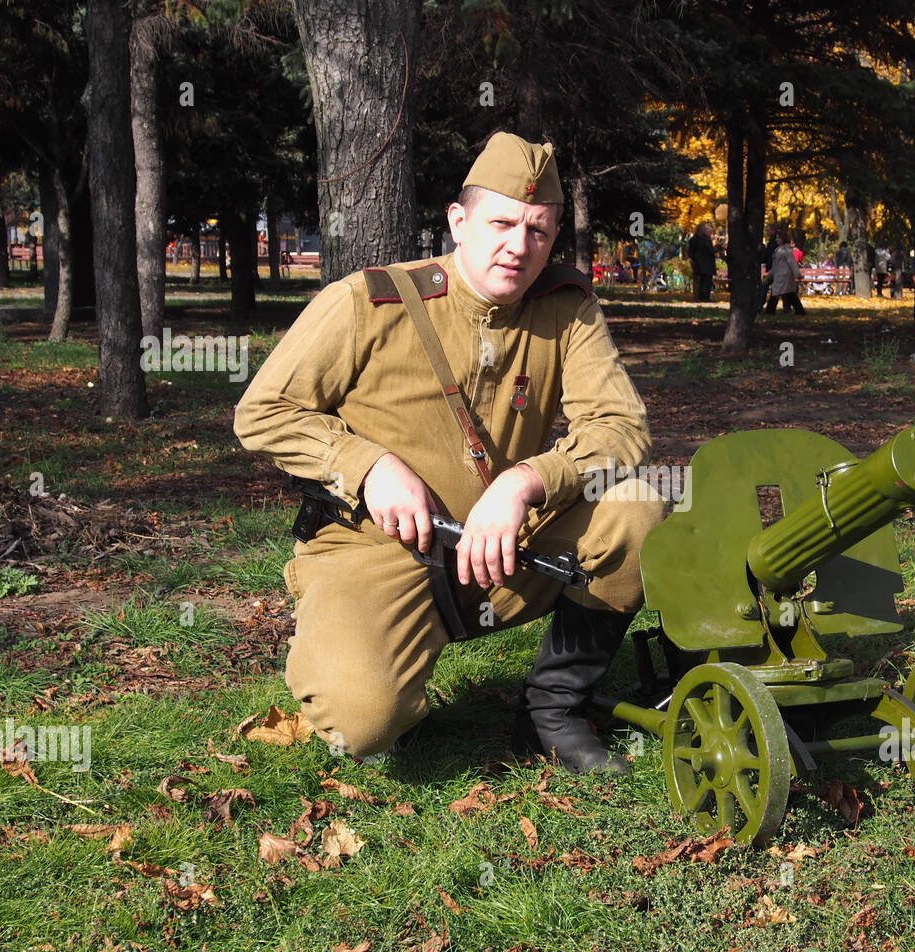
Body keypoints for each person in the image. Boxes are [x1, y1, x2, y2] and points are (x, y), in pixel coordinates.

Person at [233, 132, 664, 775]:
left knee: (635, 504)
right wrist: (367, 466)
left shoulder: (567, 309)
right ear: (458, 222)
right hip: (374, 549)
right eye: (502, 223)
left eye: (539, 231)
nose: (520, 247)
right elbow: (262, 412)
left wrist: (527, 481)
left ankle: (554, 709)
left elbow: (621, 428)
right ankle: (377, 652)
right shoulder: (366, 302)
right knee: (364, 723)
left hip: (505, 546)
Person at [764, 230, 804, 315]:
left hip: (784, 276)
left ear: (783, 239)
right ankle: (800, 311)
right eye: (776, 238)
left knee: (777, 294)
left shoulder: (786, 250)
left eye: (778, 238)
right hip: (780, 275)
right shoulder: (779, 249)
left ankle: (770, 311)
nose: (777, 239)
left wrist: (797, 274)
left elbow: (792, 263)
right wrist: (770, 274)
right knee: (789, 294)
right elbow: (776, 265)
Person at [687, 222, 716, 302]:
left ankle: (700, 297)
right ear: (700, 230)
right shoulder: (704, 240)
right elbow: (710, 250)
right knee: (705, 281)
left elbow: (690, 252)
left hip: (699, 264)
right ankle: (704, 297)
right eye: (703, 229)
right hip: (704, 264)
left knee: (701, 281)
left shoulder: (696, 239)